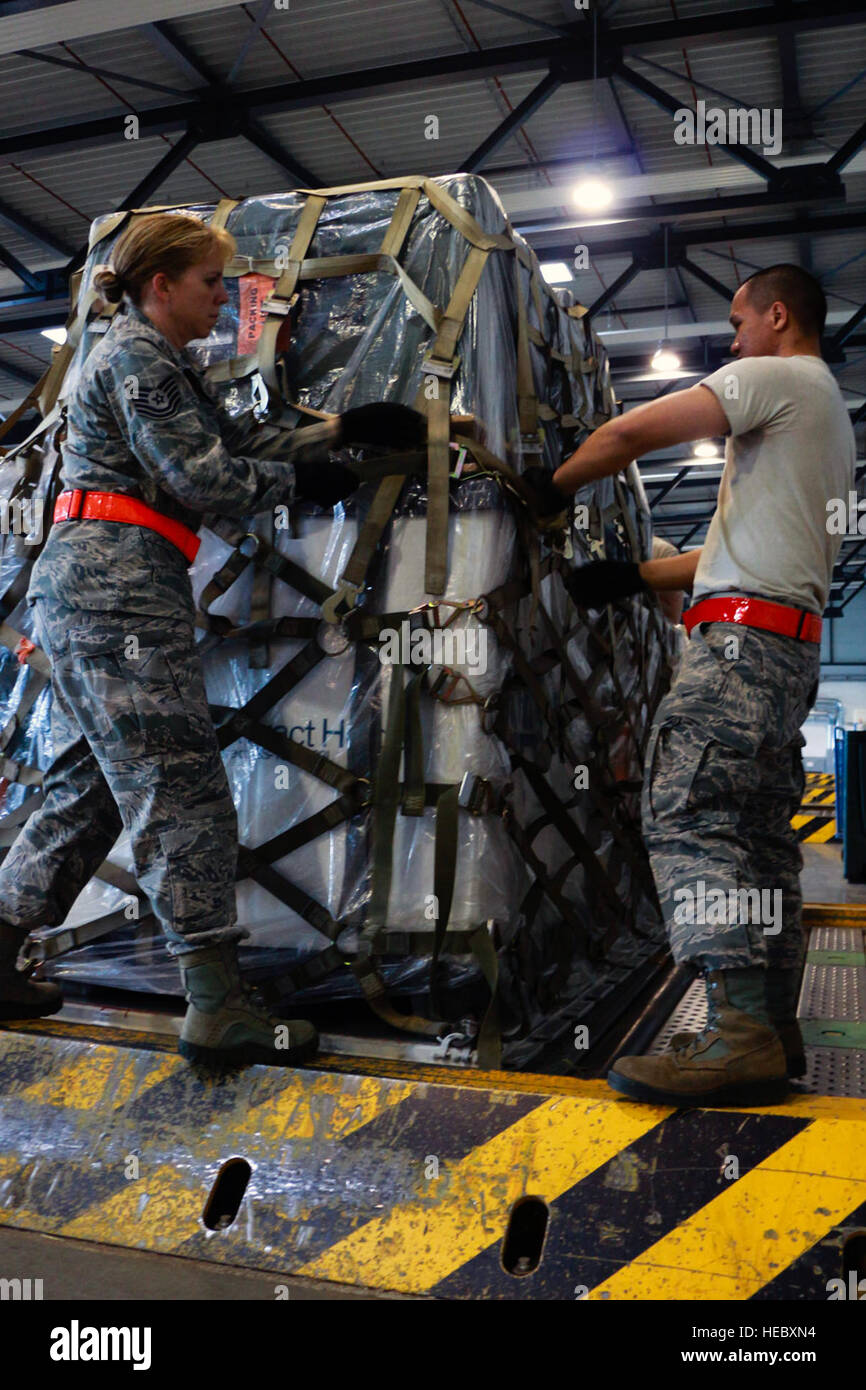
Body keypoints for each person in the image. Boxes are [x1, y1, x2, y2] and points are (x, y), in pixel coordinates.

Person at [0, 212, 426, 1068]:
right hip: (113, 591)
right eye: (208, 284)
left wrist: (339, 434)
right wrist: (305, 477)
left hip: (115, 589)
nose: (221, 301)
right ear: (161, 286)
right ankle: (215, 1002)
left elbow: (238, 441)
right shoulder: (131, 357)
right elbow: (202, 475)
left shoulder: (166, 365)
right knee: (180, 785)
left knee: (92, 785)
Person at [525, 264, 856, 1105]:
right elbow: (731, 555)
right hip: (785, 650)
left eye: (739, 320)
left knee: (686, 811)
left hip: (739, 648)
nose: (732, 338)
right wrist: (634, 575)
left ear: (778, 316)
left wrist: (552, 487)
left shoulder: (770, 375)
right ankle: (769, 1026)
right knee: (759, 841)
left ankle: (734, 1031)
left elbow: (631, 435)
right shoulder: (825, 414)